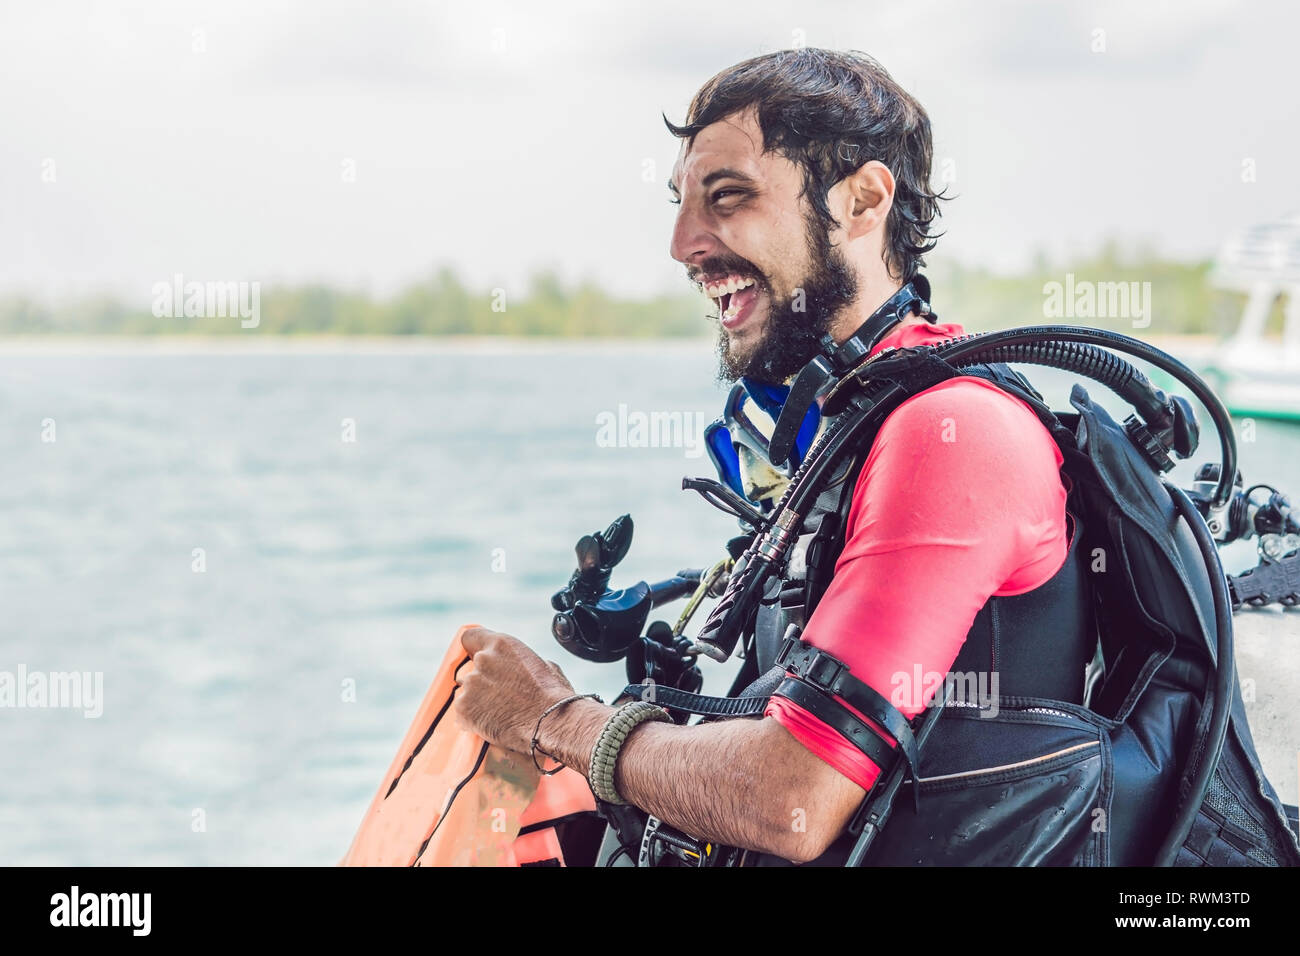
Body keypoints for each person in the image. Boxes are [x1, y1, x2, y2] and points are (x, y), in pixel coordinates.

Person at [453, 48, 1074, 863]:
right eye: (680, 205)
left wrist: (557, 720)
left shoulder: (953, 433)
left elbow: (794, 798)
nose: (683, 244)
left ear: (861, 201)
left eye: (729, 197)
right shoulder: (852, 424)